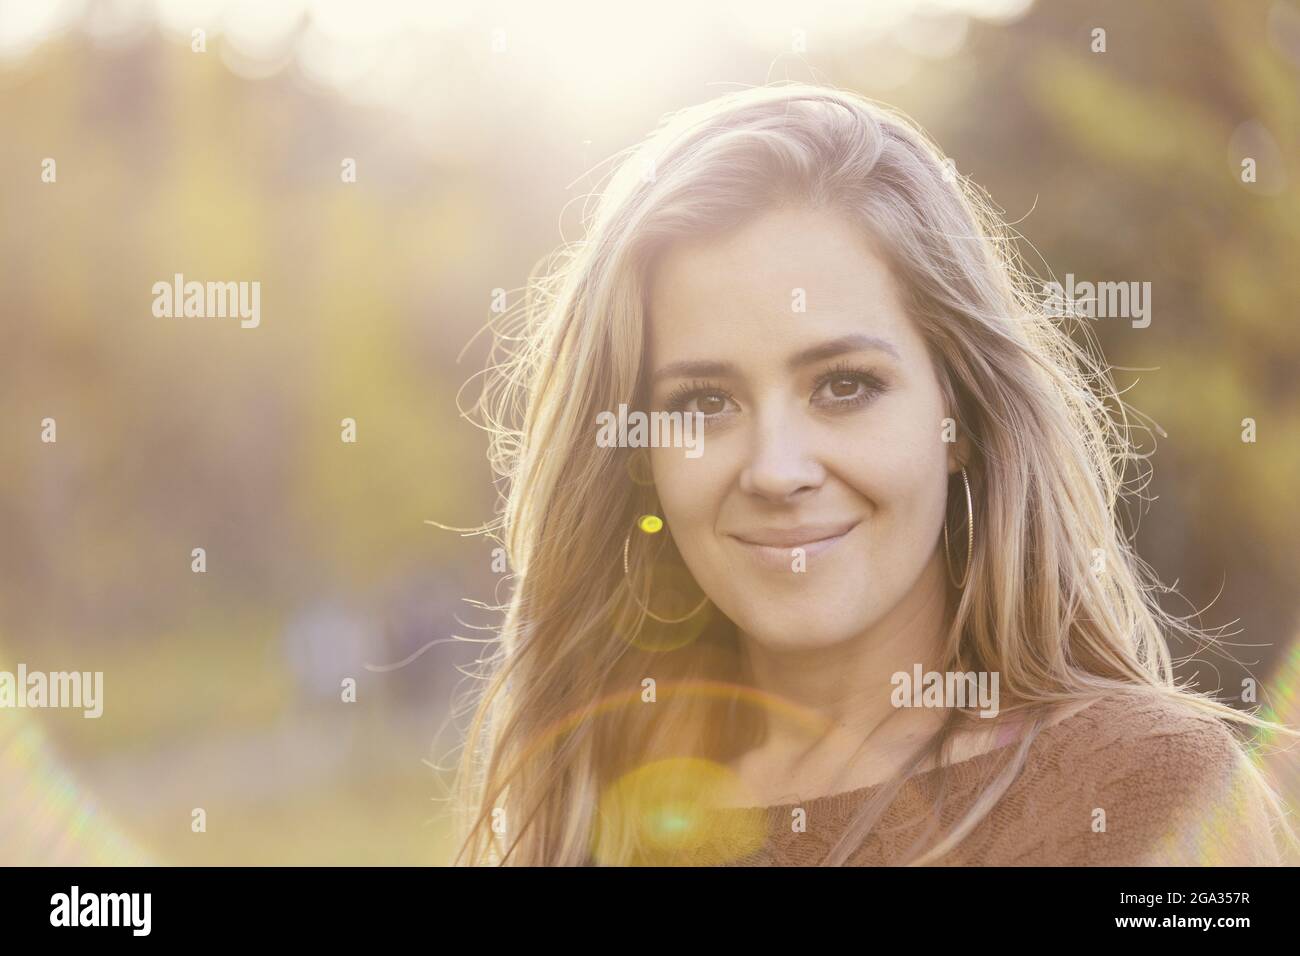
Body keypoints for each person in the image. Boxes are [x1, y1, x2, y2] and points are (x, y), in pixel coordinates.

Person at [449, 83, 1296, 866]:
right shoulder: (593, 794)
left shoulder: (1145, 790)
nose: (777, 470)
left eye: (844, 386)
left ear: (959, 416)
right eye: (705, 402)